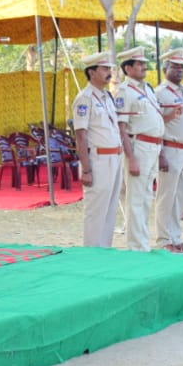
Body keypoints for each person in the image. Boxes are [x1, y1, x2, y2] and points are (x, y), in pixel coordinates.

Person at [116, 47, 169, 252]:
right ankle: (136, 246)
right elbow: (122, 127)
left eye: (144, 63)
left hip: (153, 146)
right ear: (128, 68)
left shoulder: (147, 88)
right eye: (139, 64)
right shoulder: (124, 91)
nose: (144, 67)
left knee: (147, 197)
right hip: (139, 146)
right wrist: (132, 158)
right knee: (136, 198)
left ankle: (142, 242)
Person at [72, 51, 125, 248]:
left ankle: (104, 250)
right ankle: (92, 253)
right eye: (104, 69)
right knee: (96, 210)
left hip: (115, 157)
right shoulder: (84, 98)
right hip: (99, 159)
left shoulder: (107, 96)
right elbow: (81, 135)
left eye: (109, 68)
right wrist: (86, 169)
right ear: (92, 72)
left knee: (110, 209)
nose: (109, 72)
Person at [154, 50, 183, 253]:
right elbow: (155, 125)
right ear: (165, 69)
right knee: (166, 196)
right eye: (174, 67)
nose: (179, 70)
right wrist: (160, 154)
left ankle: (176, 238)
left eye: (182, 67)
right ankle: (163, 240)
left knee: (180, 196)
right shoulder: (159, 93)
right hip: (170, 148)